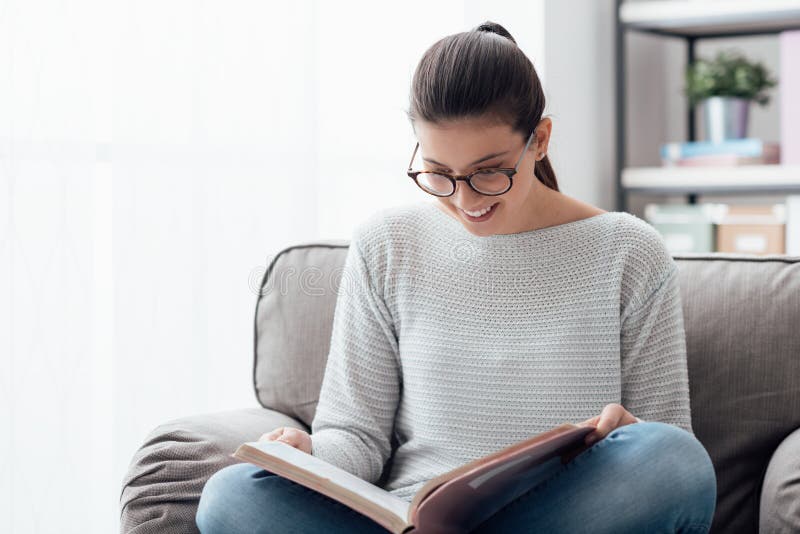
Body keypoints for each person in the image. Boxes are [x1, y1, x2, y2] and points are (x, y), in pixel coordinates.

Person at [195, 21, 717, 533]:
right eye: (439, 173)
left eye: (489, 171)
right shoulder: (387, 245)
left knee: (672, 461)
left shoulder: (628, 252)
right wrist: (309, 453)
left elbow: (666, 442)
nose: (465, 201)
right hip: (409, 519)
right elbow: (356, 437)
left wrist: (628, 437)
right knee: (232, 495)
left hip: (556, 516)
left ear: (539, 140)